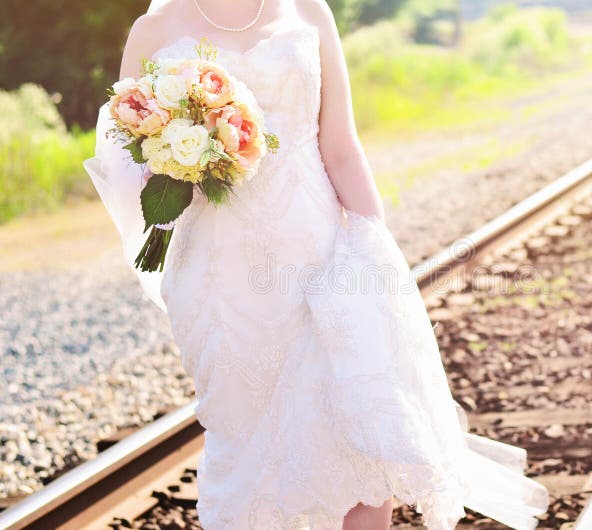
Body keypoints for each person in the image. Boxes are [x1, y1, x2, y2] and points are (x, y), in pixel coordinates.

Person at [83, 0, 549, 528]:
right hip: (220, 274)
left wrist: (379, 248)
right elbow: (128, 165)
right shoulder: (154, 32)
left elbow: (341, 146)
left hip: (318, 250)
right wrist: (182, 154)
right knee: (248, 436)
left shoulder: (310, 12)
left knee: (362, 428)